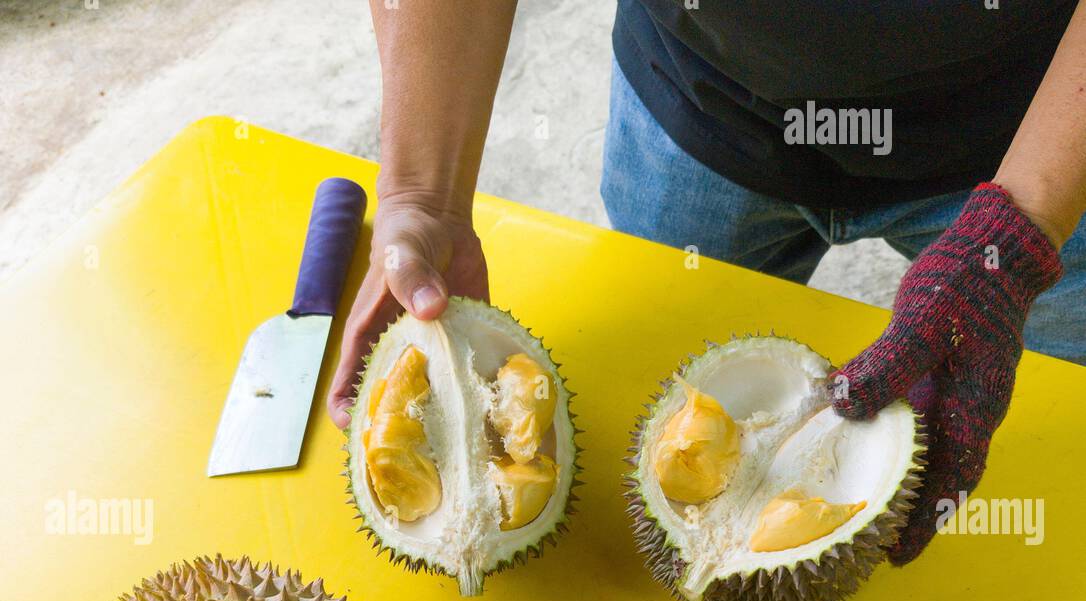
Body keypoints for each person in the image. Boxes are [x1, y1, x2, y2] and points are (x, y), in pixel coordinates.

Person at [327, 1, 1086, 563]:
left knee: (1062, 442)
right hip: (700, 101)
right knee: (659, 379)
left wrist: (1015, 242)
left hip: (1037, 129)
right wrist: (423, 193)